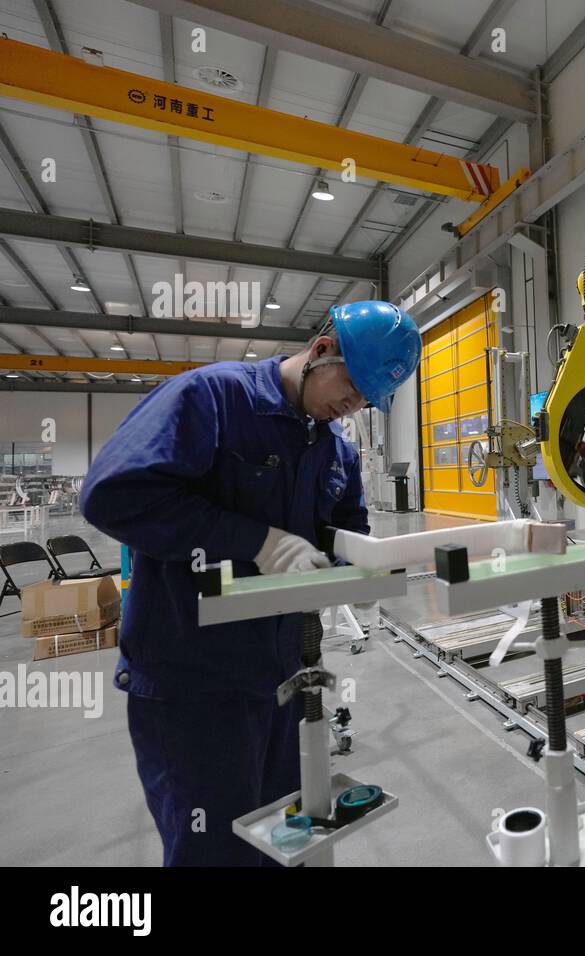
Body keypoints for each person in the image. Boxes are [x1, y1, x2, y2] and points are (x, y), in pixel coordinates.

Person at [81, 300, 420, 865]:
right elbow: (113, 494)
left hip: (281, 681)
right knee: (213, 849)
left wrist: (358, 568)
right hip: (192, 683)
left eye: (367, 399)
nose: (353, 405)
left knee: (284, 839)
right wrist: (257, 543)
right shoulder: (212, 399)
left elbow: (347, 530)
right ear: (321, 351)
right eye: (354, 385)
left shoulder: (335, 448)